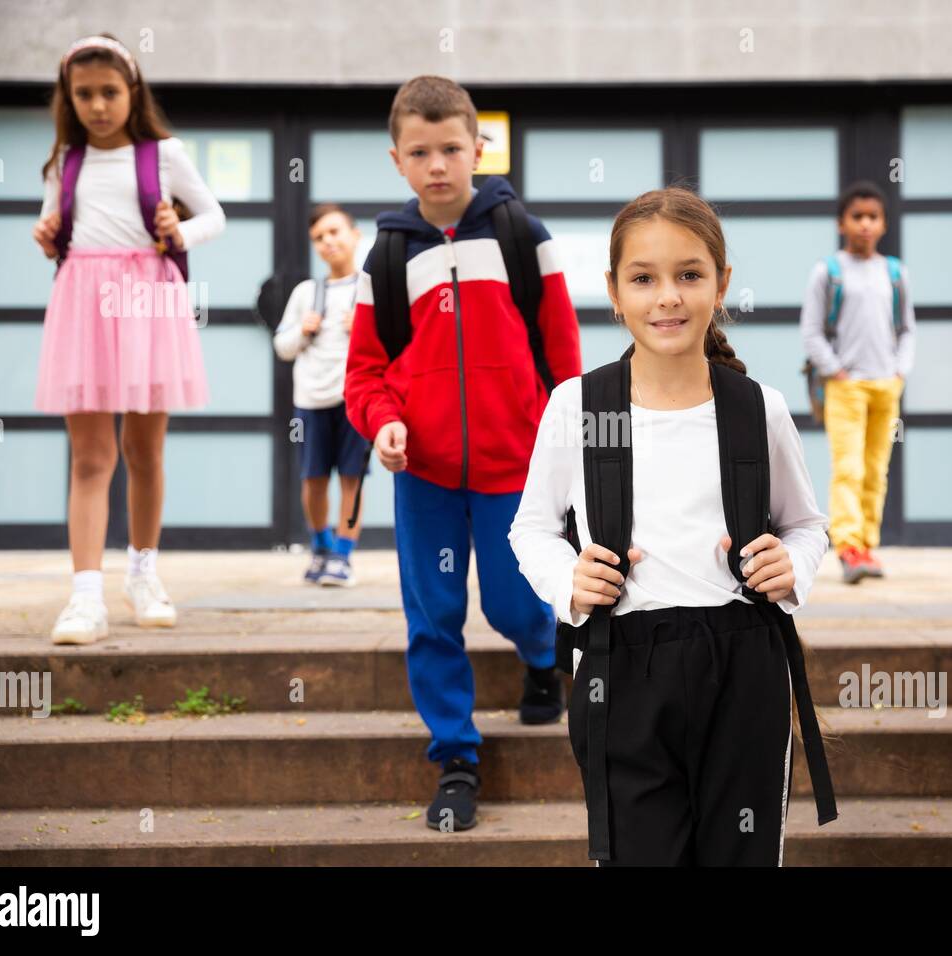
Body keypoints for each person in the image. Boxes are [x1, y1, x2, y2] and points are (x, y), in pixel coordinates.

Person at [509, 187, 832, 865]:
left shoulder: (757, 408)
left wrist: (793, 565)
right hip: (619, 667)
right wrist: (567, 578)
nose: (668, 297)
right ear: (614, 292)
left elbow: (806, 524)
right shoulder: (578, 406)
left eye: (690, 274)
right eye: (644, 278)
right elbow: (532, 528)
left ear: (721, 286)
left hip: (744, 664)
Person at [343, 75, 582, 831]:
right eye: (421, 151)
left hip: (516, 469)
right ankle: (455, 755)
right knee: (434, 614)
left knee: (516, 603)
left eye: (452, 148)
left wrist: (561, 436)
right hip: (426, 479)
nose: (439, 164)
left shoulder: (521, 237)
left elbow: (563, 354)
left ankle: (541, 658)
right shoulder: (384, 256)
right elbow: (364, 372)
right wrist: (383, 421)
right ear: (397, 160)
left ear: (478, 148)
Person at [32, 34, 225, 645]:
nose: (97, 105)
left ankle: (143, 574)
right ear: (68, 97)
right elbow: (60, 232)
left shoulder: (164, 155)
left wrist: (179, 230)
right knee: (91, 457)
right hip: (83, 303)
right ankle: (85, 595)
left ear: (131, 91)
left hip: (147, 299)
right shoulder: (65, 163)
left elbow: (213, 215)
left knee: (144, 450)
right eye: (83, 94)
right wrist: (47, 235)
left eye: (109, 92)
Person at [799, 181, 916, 584]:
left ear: (883, 224)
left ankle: (868, 544)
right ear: (842, 223)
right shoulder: (828, 272)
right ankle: (848, 548)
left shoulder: (895, 272)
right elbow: (811, 332)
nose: (865, 224)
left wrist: (900, 369)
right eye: (857, 217)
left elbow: (907, 330)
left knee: (875, 469)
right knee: (847, 468)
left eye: (873, 217)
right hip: (845, 387)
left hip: (887, 385)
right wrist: (837, 370)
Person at [273, 203, 368, 586]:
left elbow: (399, 343)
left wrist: (363, 328)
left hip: (354, 400)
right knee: (313, 480)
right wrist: (303, 331)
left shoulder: (370, 288)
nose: (327, 242)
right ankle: (320, 548)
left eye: (334, 232)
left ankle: (343, 557)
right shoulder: (305, 293)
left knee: (351, 480)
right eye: (319, 238)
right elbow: (282, 345)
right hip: (311, 401)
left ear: (354, 234)